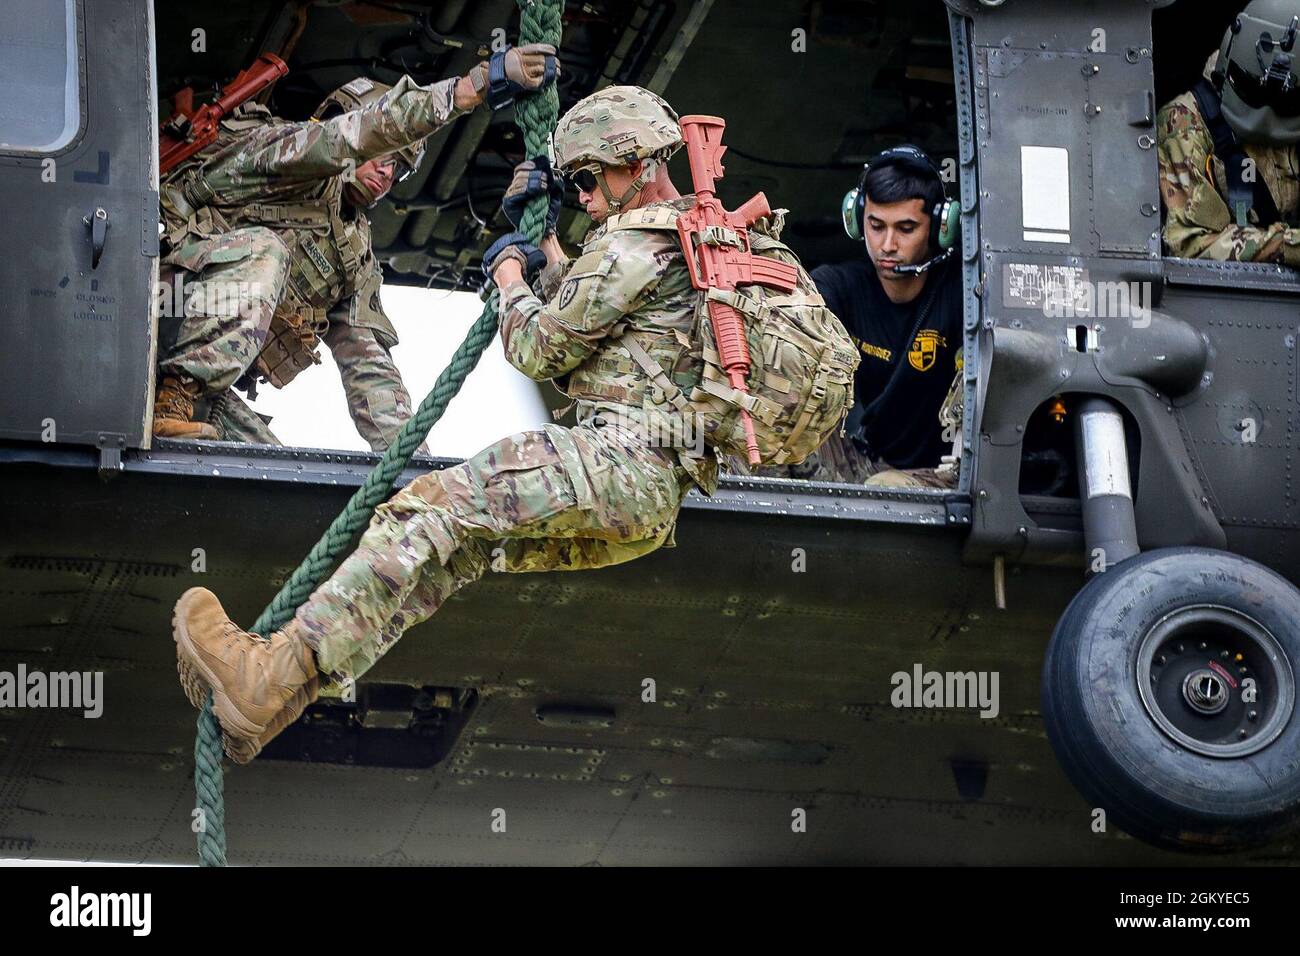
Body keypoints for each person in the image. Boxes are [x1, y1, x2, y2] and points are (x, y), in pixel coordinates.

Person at [170, 86, 841, 764]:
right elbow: (606, 337)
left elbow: (539, 351)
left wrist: (512, 274)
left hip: (616, 462)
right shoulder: (710, 243)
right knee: (448, 556)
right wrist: (549, 249)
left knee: (426, 512)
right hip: (648, 502)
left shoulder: (638, 241)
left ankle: (266, 674)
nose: (583, 195)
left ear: (632, 163)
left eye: (586, 178)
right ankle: (276, 698)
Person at [152, 44, 559, 448]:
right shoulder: (288, 155)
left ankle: (175, 402)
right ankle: (173, 402)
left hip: (189, 380)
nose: (387, 171)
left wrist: (410, 471)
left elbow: (369, 368)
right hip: (150, 307)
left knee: (271, 481)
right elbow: (352, 136)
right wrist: (473, 87)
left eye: (399, 169)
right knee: (267, 250)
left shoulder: (352, 255)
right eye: (383, 156)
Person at [747, 146, 963, 489]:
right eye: (876, 226)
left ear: (940, 228)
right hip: (863, 457)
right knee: (758, 443)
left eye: (906, 229)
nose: (887, 245)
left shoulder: (961, 297)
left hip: (939, 473)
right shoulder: (840, 285)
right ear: (857, 219)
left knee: (886, 491)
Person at [1158, 0, 1300, 262]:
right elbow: (1191, 244)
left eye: (1286, 103)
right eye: (1253, 91)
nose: (1264, 118)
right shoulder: (1185, 121)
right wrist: (1287, 246)